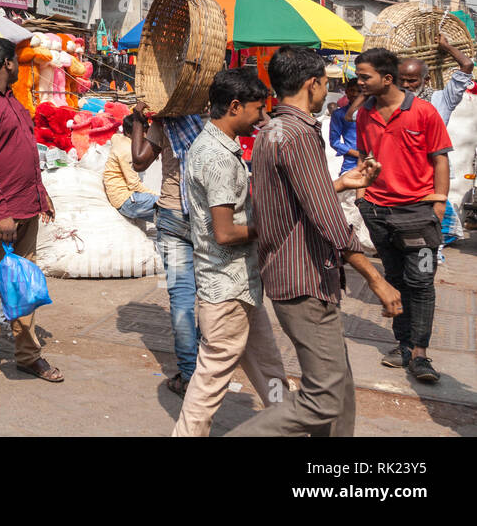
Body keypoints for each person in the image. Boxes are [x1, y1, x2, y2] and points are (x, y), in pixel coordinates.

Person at [226, 46, 401, 437]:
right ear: (312, 83)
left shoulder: (273, 130)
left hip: (299, 276)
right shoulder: (298, 133)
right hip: (303, 280)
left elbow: (298, 201)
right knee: (323, 398)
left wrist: (340, 182)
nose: (327, 91)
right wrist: (375, 279)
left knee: (338, 390)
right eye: (324, 83)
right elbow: (329, 221)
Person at [172, 69, 287, 436]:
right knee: (210, 380)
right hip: (226, 290)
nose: (262, 118)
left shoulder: (211, 145)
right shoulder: (219, 158)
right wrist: (269, 226)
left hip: (241, 286)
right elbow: (225, 232)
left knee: (269, 369)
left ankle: (291, 425)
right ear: (235, 106)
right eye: (257, 109)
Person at [0, 37, 62, 386]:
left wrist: (41, 192)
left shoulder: (10, 100)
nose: (17, 65)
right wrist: (1, 210)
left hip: (26, 205)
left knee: (24, 283)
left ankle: (27, 355)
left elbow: (22, 151)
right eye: (15, 60)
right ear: (6, 63)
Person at [355, 47, 451, 384]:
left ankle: (421, 354)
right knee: (395, 280)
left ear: (387, 78)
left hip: (418, 216)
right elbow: (365, 157)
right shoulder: (364, 114)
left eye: (365, 76)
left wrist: (437, 205)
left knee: (421, 283)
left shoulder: (423, 112)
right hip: (378, 214)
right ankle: (404, 346)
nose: (359, 82)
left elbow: (440, 159)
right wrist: (361, 199)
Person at [130, 104, 205, 396]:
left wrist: (138, 119)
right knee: (209, 296)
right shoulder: (213, 121)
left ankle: (189, 374)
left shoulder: (165, 125)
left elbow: (138, 162)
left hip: (173, 216)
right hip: (208, 218)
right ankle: (205, 364)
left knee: (182, 299)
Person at [398, 32, 474, 124]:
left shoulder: (442, 99)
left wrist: (446, 46)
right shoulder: (390, 99)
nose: (405, 85)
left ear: (426, 80)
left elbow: (467, 64)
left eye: (412, 81)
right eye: (401, 80)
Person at [103, 114, 159, 220]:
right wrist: (158, 195)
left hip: (125, 199)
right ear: (129, 134)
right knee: (170, 207)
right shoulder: (127, 151)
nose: (145, 135)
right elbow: (134, 185)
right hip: (127, 201)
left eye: (145, 131)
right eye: (140, 132)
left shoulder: (119, 138)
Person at [327, 78, 365, 175]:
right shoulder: (339, 114)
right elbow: (334, 142)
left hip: (373, 161)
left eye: (359, 91)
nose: (355, 94)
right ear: (346, 92)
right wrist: (357, 154)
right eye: (352, 90)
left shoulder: (372, 112)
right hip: (351, 164)